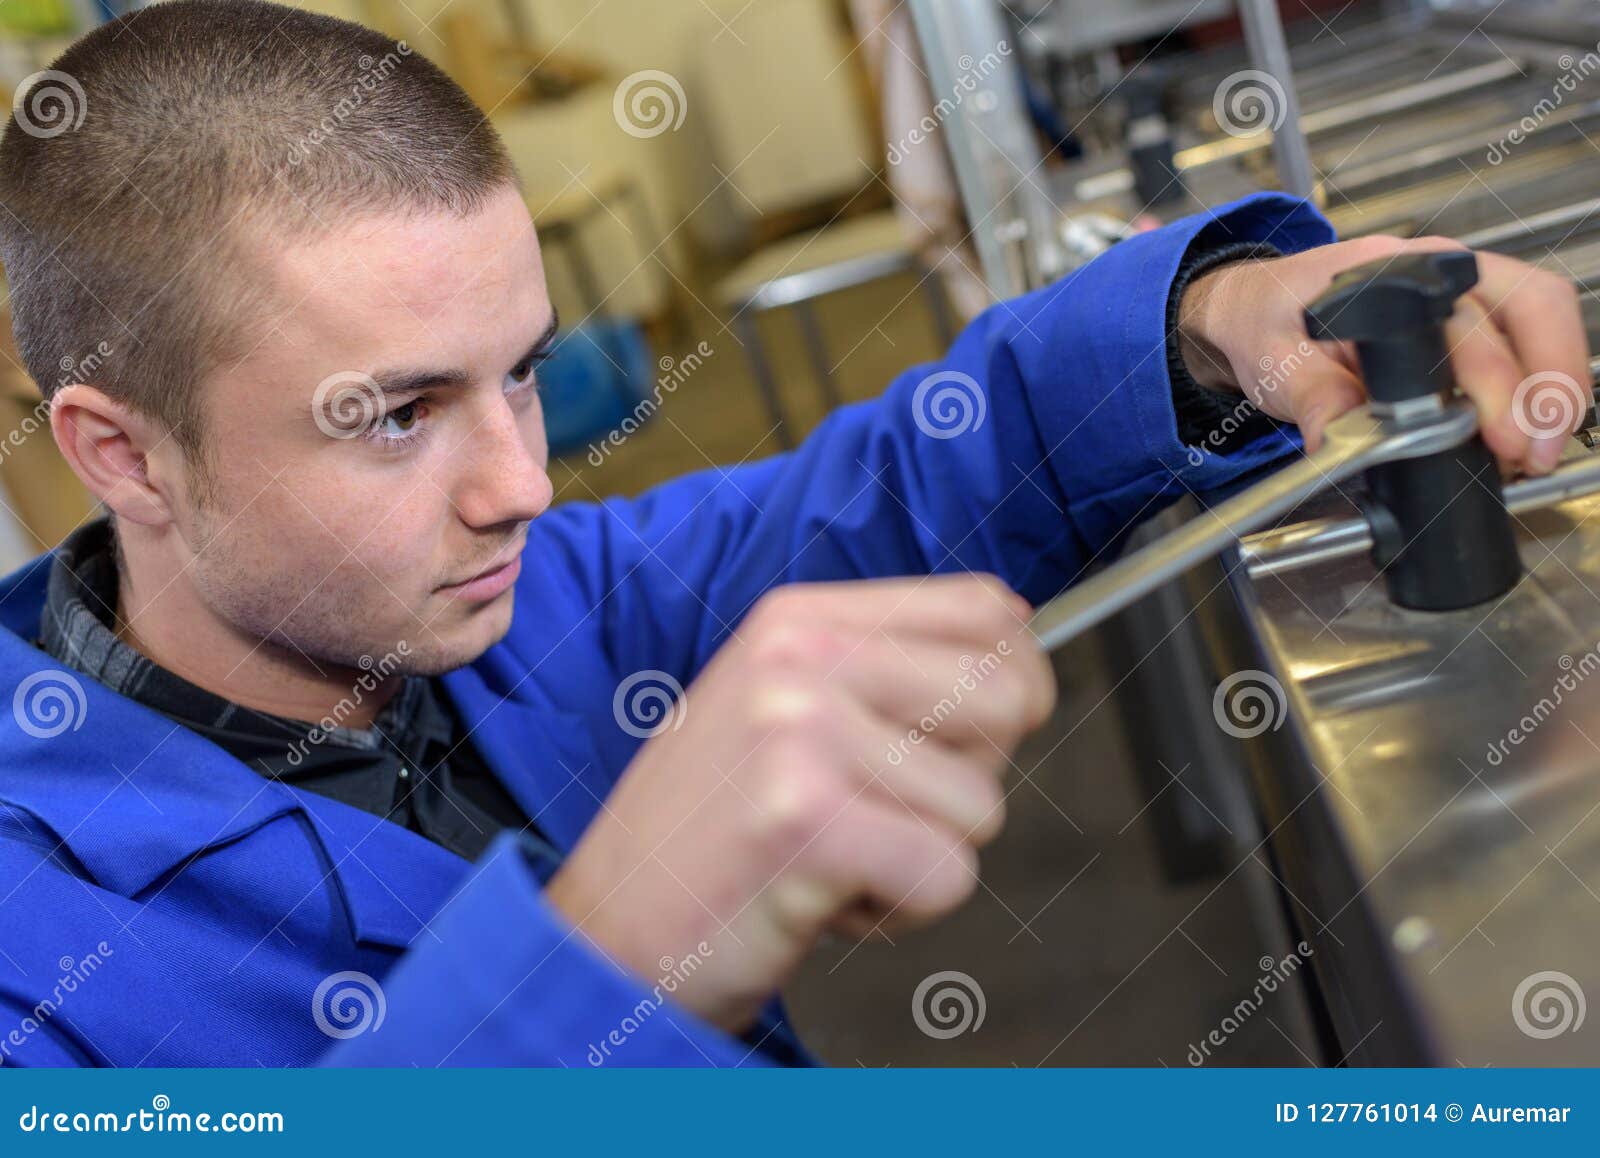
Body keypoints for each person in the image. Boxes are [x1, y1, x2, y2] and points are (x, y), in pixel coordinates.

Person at [0, 0, 1587, 1068]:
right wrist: (608, 954)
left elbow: (911, 481)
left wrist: (1215, 320)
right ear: (122, 454)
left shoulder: (535, 606)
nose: (521, 487)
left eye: (525, 376)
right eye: (396, 414)